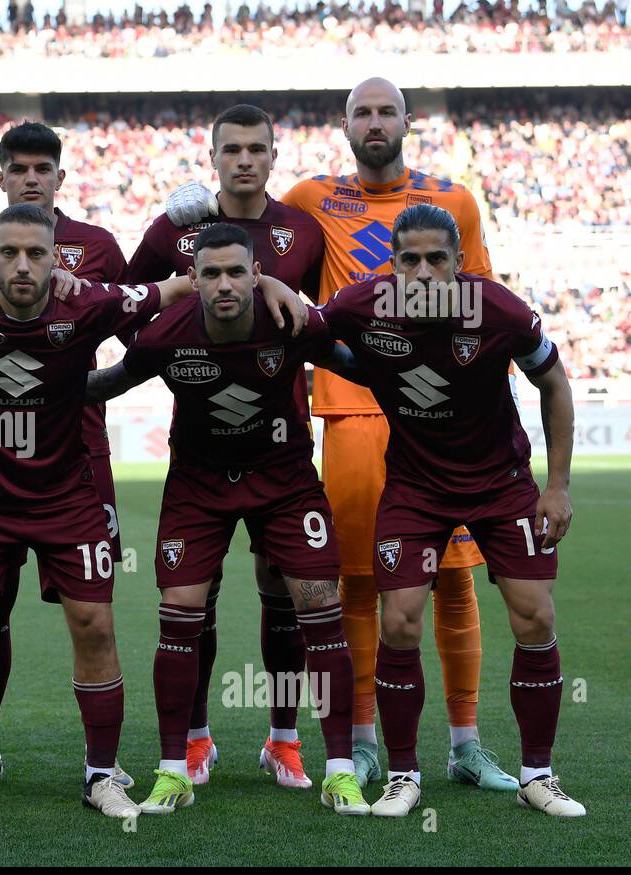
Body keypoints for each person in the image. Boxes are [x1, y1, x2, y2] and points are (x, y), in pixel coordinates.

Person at [0, 202, 310, 822]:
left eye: (36, 253)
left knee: (94, 625)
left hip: (67, 494)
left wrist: (269, 280)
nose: (22, 264)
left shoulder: (89, 304)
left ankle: (101, 775)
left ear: (56, 257)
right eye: (9, 252)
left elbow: (178, 285)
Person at [167, 77, 512, 793]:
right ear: (345, 124)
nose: (376, 122)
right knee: (350, 580)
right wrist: (184, 211)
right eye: (364, 112)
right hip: (352, 408)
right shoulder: (312, 201)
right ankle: (356, 742)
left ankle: (466, 743)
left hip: (446, 419)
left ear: (408, 122)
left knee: (452, 577)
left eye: (388, 111)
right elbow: (245, 230)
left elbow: (483, 308)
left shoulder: (456, 201)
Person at [89, 223, 369, 816]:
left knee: (319, 606)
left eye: (236, 272)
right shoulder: (166, 332)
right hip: (199, 484)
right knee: (181, 611)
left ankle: (338, 770)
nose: (223, 283)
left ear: (256, 275)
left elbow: (359, 362)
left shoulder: (291, 321)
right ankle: (174, 770)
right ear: (193, 278)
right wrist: (22, 382)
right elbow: (108, 382)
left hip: (285, 481)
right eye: (210, 273)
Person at [318, 203, 584, 817]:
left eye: (437, 259)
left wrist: (558, 485)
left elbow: (555, 383)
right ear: (392, 264)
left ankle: (537, 776)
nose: (423, 271)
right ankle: (404, 776)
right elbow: (308, 332)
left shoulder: (500, 310)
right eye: (408, 259)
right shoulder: (362, 306)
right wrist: (349, 361)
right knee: (401, 622)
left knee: (535, 618)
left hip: (503, 483)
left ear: (459, 264)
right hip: (416, 487)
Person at [125, 103, 326, 789]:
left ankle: (283, 739)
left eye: (257, 148)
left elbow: (323, 323)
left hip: (281, 446)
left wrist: (275, 285)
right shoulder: (176, 230)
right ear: (212, 158)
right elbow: (128, 310)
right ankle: (196, 740)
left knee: (286, 588)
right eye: (231, 149)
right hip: (201, 450)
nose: (244, 159)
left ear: (275, 155)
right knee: (192, 597)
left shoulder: (302, 231)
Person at [0, 120, 131, 788]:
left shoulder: (98, 247)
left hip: (78, 453)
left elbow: (136, 325)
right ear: (1, 178)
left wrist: (75, 382)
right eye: (19, 168)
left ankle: (101, 766)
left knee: (91, 612)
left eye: (43, 167)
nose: (32, 177)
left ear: (61, 176)